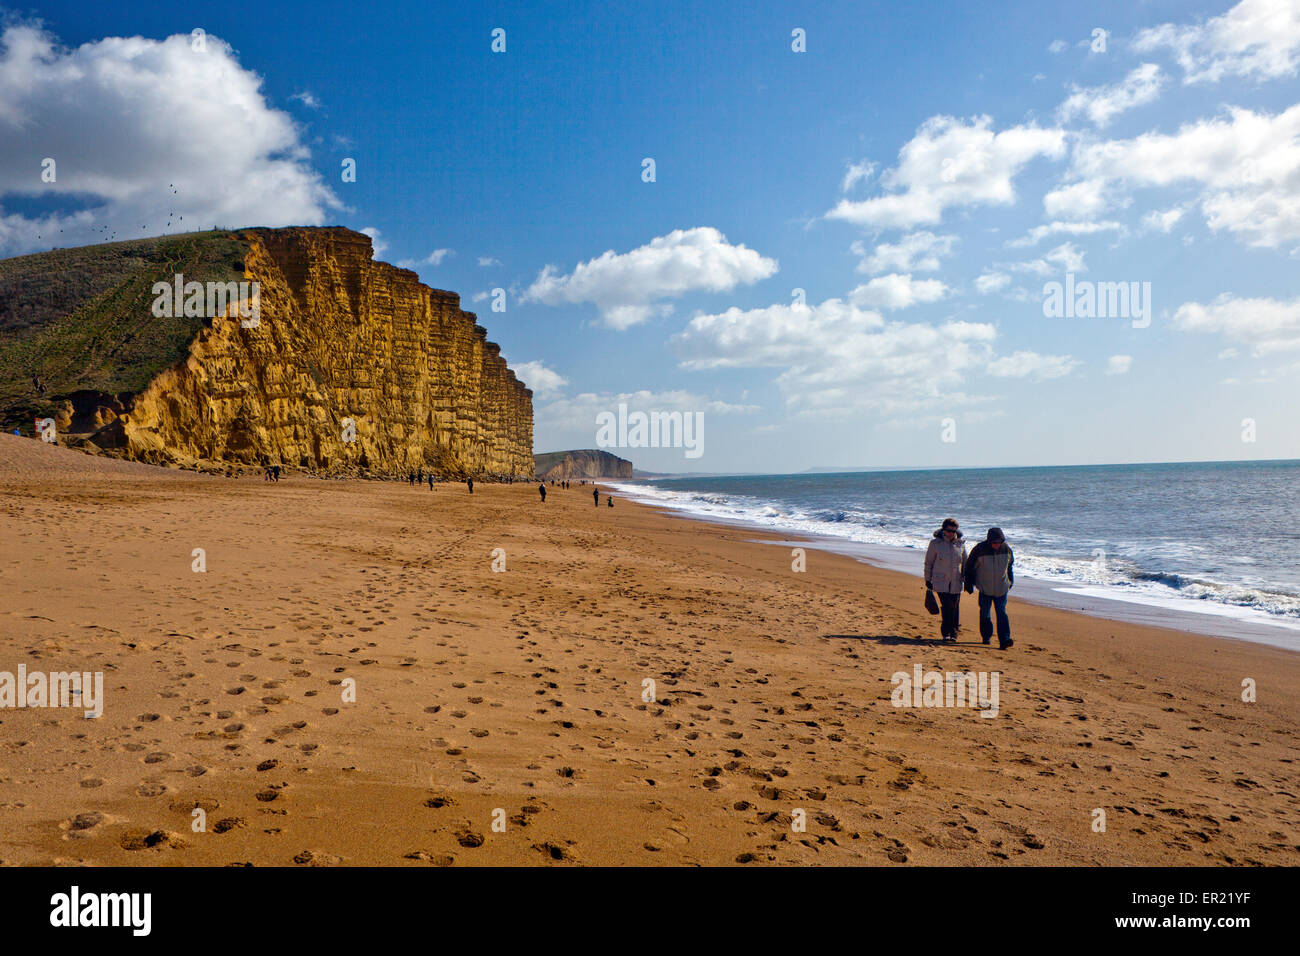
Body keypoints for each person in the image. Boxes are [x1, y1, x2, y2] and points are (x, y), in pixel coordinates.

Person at [964, 527, 1014, 650]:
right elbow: (969, 567)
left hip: (1001, 588)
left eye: (999, 542)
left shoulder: (1006, 549)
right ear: (989, 541)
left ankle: (1005, 640)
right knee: (985, 613)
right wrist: (969, 583)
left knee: (1002, 613)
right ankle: (986, 637)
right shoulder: (979, 549)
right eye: (994, 542)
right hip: (984, 588)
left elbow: (1010, 567)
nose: (997, 545)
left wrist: (1010, 581)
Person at [924, 518, 966, 642]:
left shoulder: (960, 544)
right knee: (947, 606)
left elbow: (965, 563)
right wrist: (927, 579)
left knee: (955, 607)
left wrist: (966, 579)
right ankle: (946, 632)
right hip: (940, 581)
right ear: (944, 530)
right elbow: (928, 563)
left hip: (956, 582)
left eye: (954, 531)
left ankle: (954, 632)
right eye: (948, 530)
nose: (951, 533)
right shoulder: (935, 544)